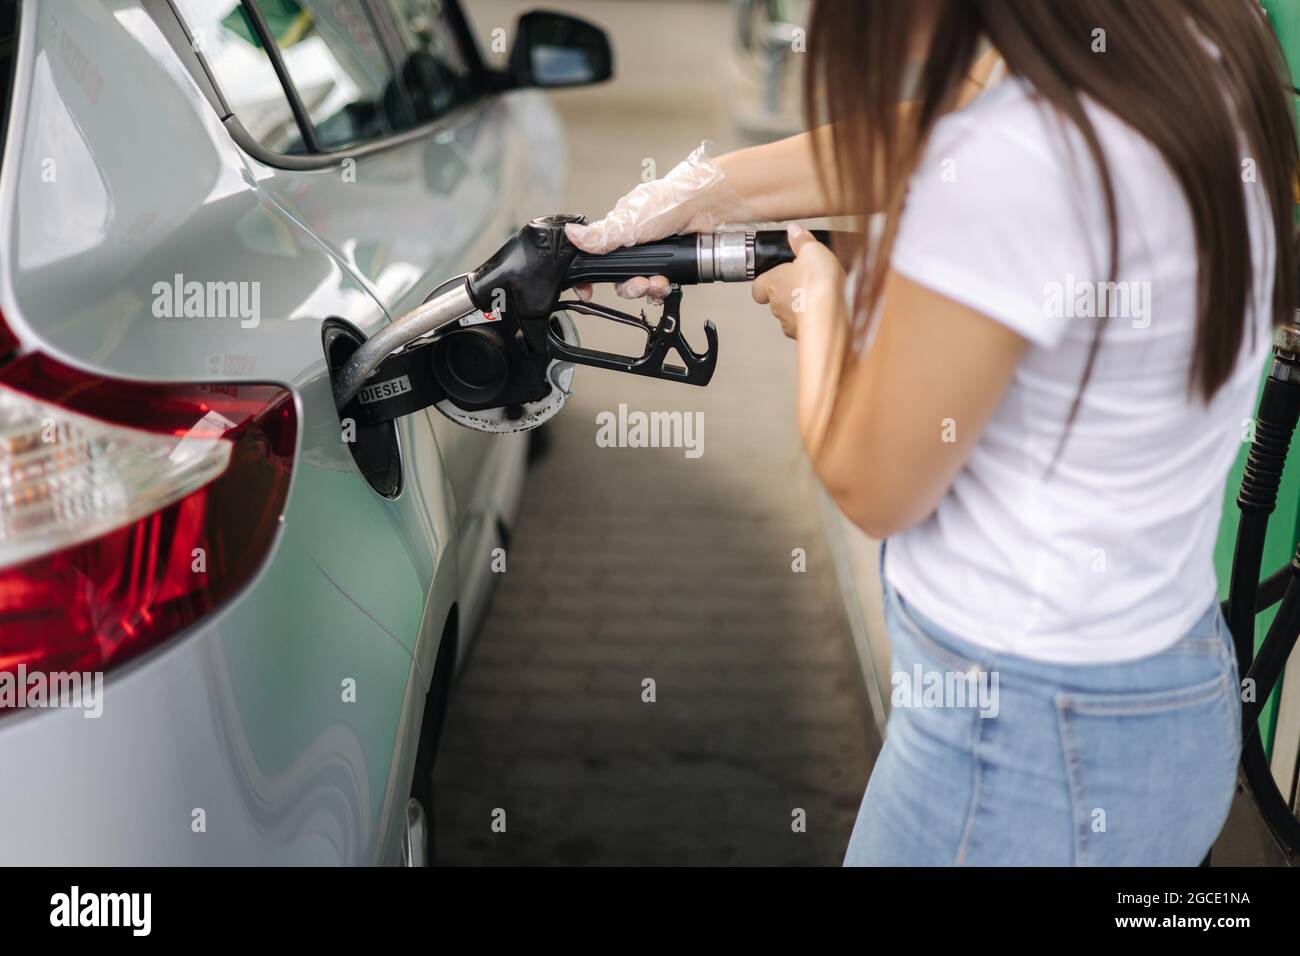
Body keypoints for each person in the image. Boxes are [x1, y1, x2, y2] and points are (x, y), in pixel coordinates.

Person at [566, 0, 1299, 865]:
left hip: (1021, 746)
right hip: (1161, 694)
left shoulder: (1019, 154)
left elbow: (872, 481)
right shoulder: (1192, 44)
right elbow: (937, 140)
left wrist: (823, 309)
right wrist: (708, 190)